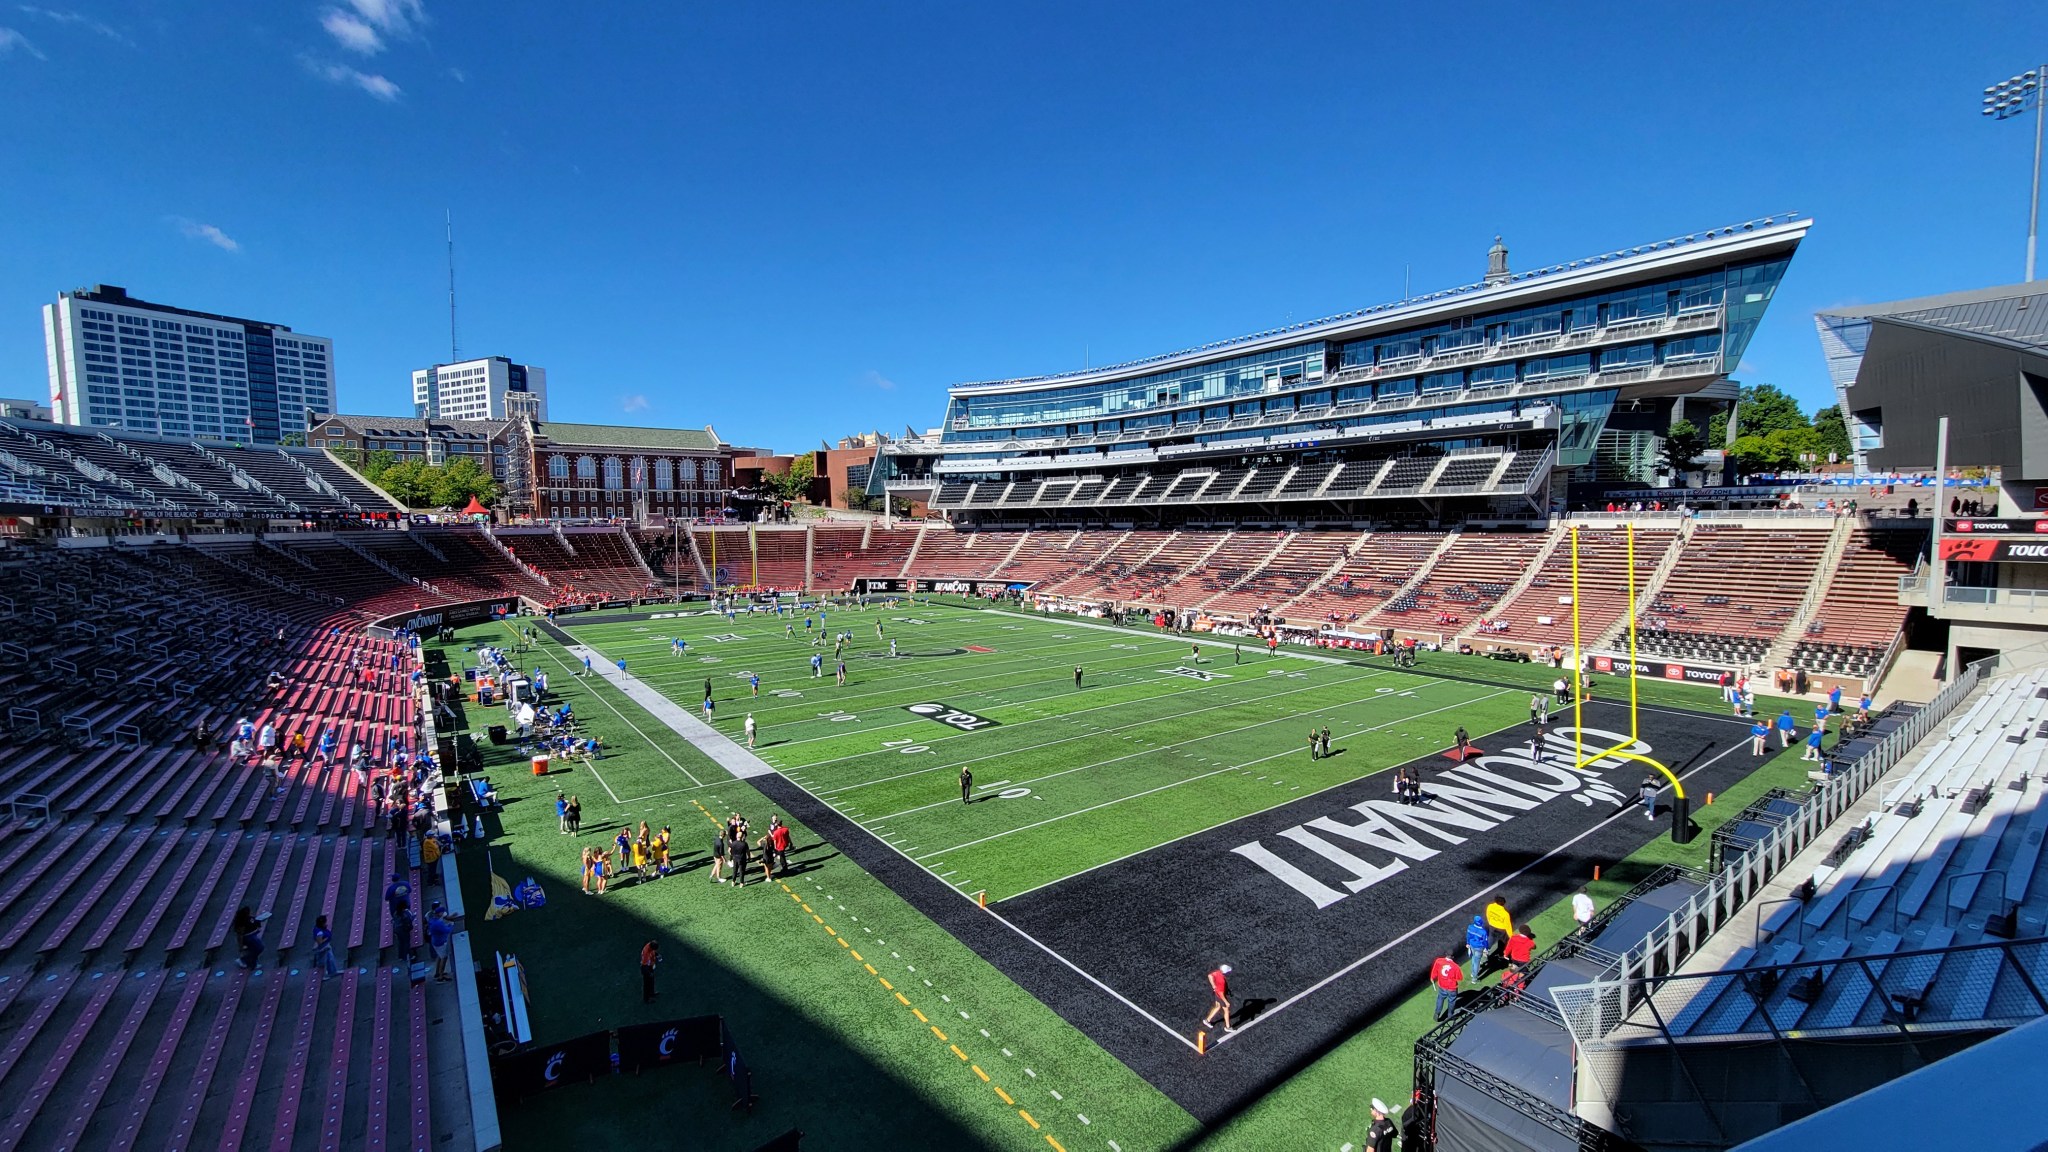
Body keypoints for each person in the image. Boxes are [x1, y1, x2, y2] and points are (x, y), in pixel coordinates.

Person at [1201, 963, 1234, 1033]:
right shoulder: (1222, 981)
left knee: (1218, 1006)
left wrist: (1214, 986)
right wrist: (1226, 1002)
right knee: (1226, 1010)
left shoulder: (1218, 972)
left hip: (1217, 993)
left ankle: (1207, 1020)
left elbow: (1210, 976)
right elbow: (1221, 994)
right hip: (1220, 995)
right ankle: (1228, 1027)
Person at [427, 903, 456, 981]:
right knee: (444, 958)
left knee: (440, 957)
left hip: (435, 941)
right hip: (440, 943)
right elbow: (447, 930)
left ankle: (437, 973)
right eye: (442, 912)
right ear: (439, 913)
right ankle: (441, 977)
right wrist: (452, 925)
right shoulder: (438, 923)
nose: (443, 913)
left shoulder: (433, 919)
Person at [1430, 953, 1463, 1021]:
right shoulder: (1455, 966)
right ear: (1453, 957)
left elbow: (1435, 971)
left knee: (1440, 999)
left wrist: (1432, 977)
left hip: (1442, 986)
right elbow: (1460, 978)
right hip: (1452, 988)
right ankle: (1450, 1015)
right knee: (1451, 1001)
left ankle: (1437, 1013)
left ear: (1446, 954)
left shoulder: (1439, 961)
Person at [232, 905, 266, 969]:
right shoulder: (241, 923)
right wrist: (241, 946)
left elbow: (254, 922)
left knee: (257, 949)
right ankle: (249, 962)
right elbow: (240, 936)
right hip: (248, 938)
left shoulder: (249, 918)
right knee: (259, 948)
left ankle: (248, 961)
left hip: (253, 936)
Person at [1483, 894, 1511, 966]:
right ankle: (1502, 954)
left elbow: (1488, 914)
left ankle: (1486, 949)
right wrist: (1511, 936)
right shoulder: (1505, 914)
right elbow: (1508, 926)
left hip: (1492, 926)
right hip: (1501, 929)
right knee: (1503, 941)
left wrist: (1490, 922)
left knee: (1491, 938)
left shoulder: (1490, 906)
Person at [312, 913, 342, 977]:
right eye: (325, 922)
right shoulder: (319, 932)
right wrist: (326, 939)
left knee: (330, 959)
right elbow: (319, 942)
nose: (326, 923)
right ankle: (321, 977)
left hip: (326, 946)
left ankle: (333, 972)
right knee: (322, 962)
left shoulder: (320, 928)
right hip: (323, 947)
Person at [1463, 914, 1490, 979]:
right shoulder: (1483, 932)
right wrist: (1486, 948)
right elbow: (1485, 941)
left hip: (1472, 945)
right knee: (1477, 962)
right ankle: (1474, 978)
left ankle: (1472, 973)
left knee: (1473, 958)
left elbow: (1468, 936)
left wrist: (1468, 943)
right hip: (1479, 947)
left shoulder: (1470, 927)